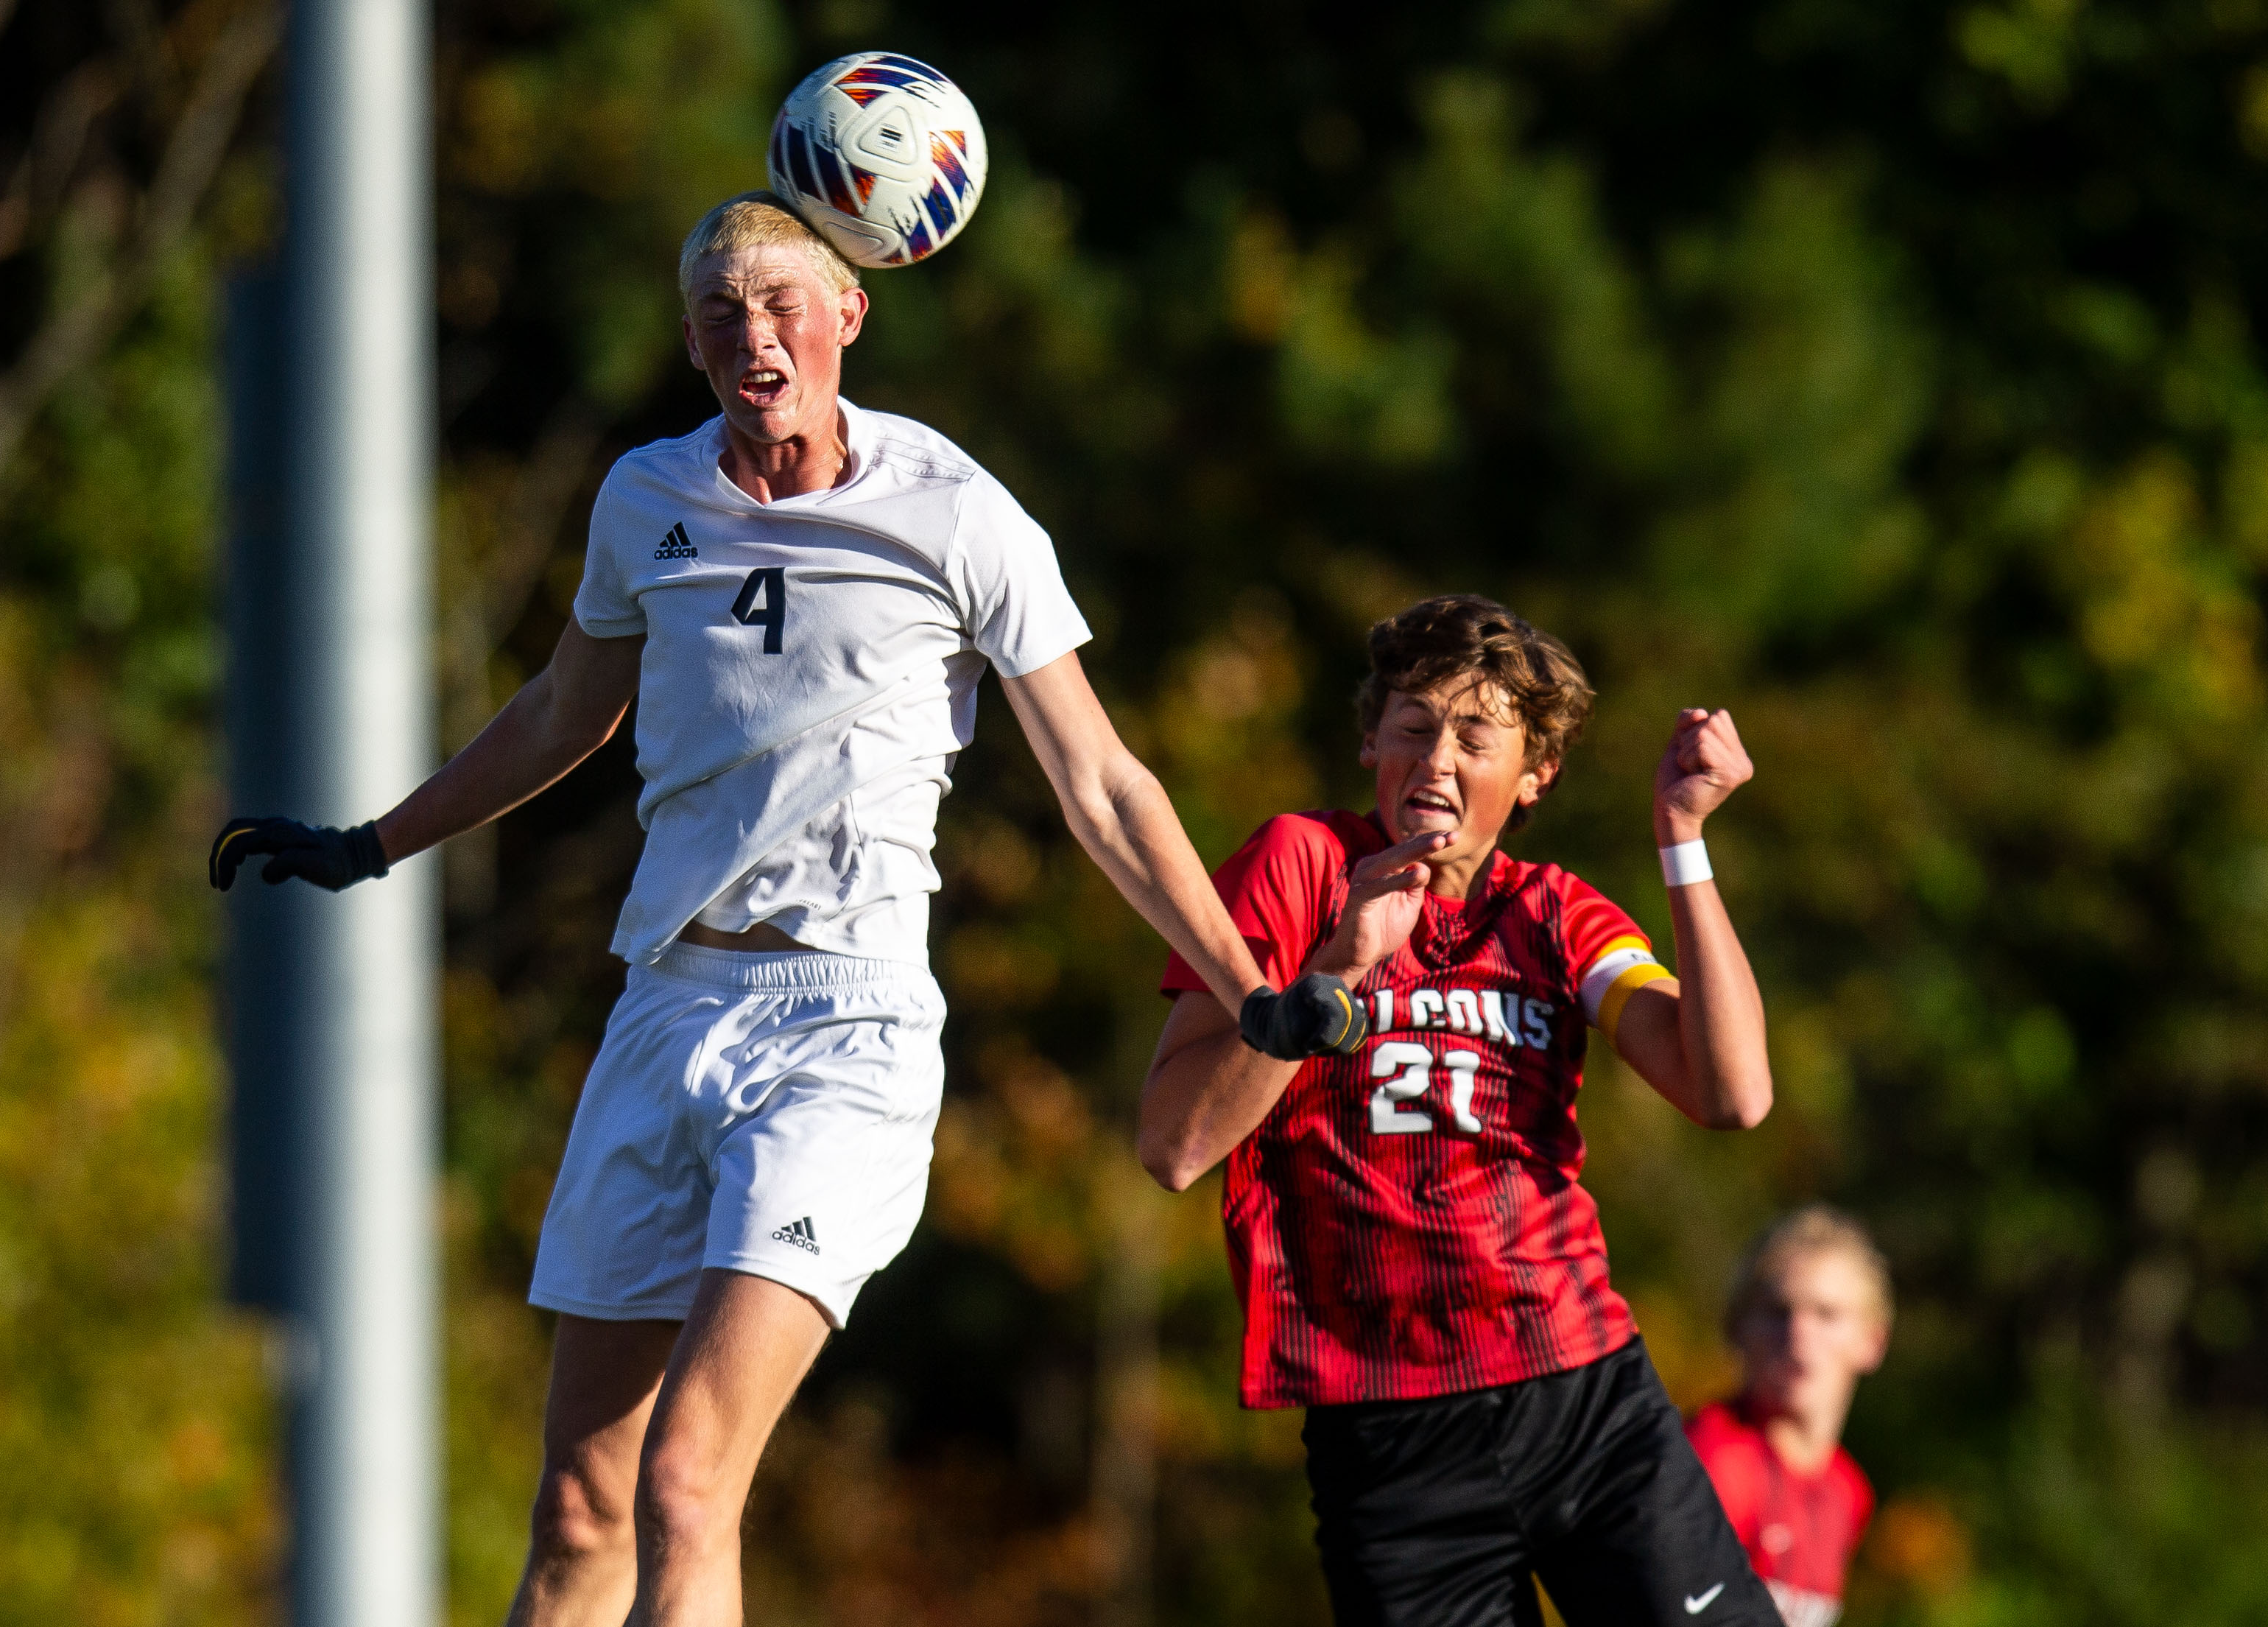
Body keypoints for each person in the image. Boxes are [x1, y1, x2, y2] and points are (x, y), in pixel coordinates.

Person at [209, 192, 1353, 1627]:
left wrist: (1247, 987)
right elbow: (564, 712)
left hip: (845, 1030)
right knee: (578, 1511)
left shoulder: (954, 510)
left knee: (689, 1481)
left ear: (849, 315)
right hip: (664, 1006)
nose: (754, 333)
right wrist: (372, 842)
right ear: (689, 343)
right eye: (719, 311)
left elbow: (1104, 785)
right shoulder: (646, 500)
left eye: (781, 302)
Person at [1140, 593, 1784, 1627]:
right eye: (1413, 725)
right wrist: (1338, 969)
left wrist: (1682, 838)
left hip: (1580, 1394)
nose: (1437, 756)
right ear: (1370, 744)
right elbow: (1173, 1144)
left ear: (1535, 776)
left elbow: (1734, 1092)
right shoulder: (1302, 866)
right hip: (1387, 1434)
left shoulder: (1553, 914)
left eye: (1475, 734)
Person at [1686, 1208, 1890, 1627]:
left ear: (1873, 1340)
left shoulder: (1848, 1494)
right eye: (1777, 1310)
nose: (1799, 1332)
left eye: (1827, 1313)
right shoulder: (1711, 1464)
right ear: (1736, 1328)